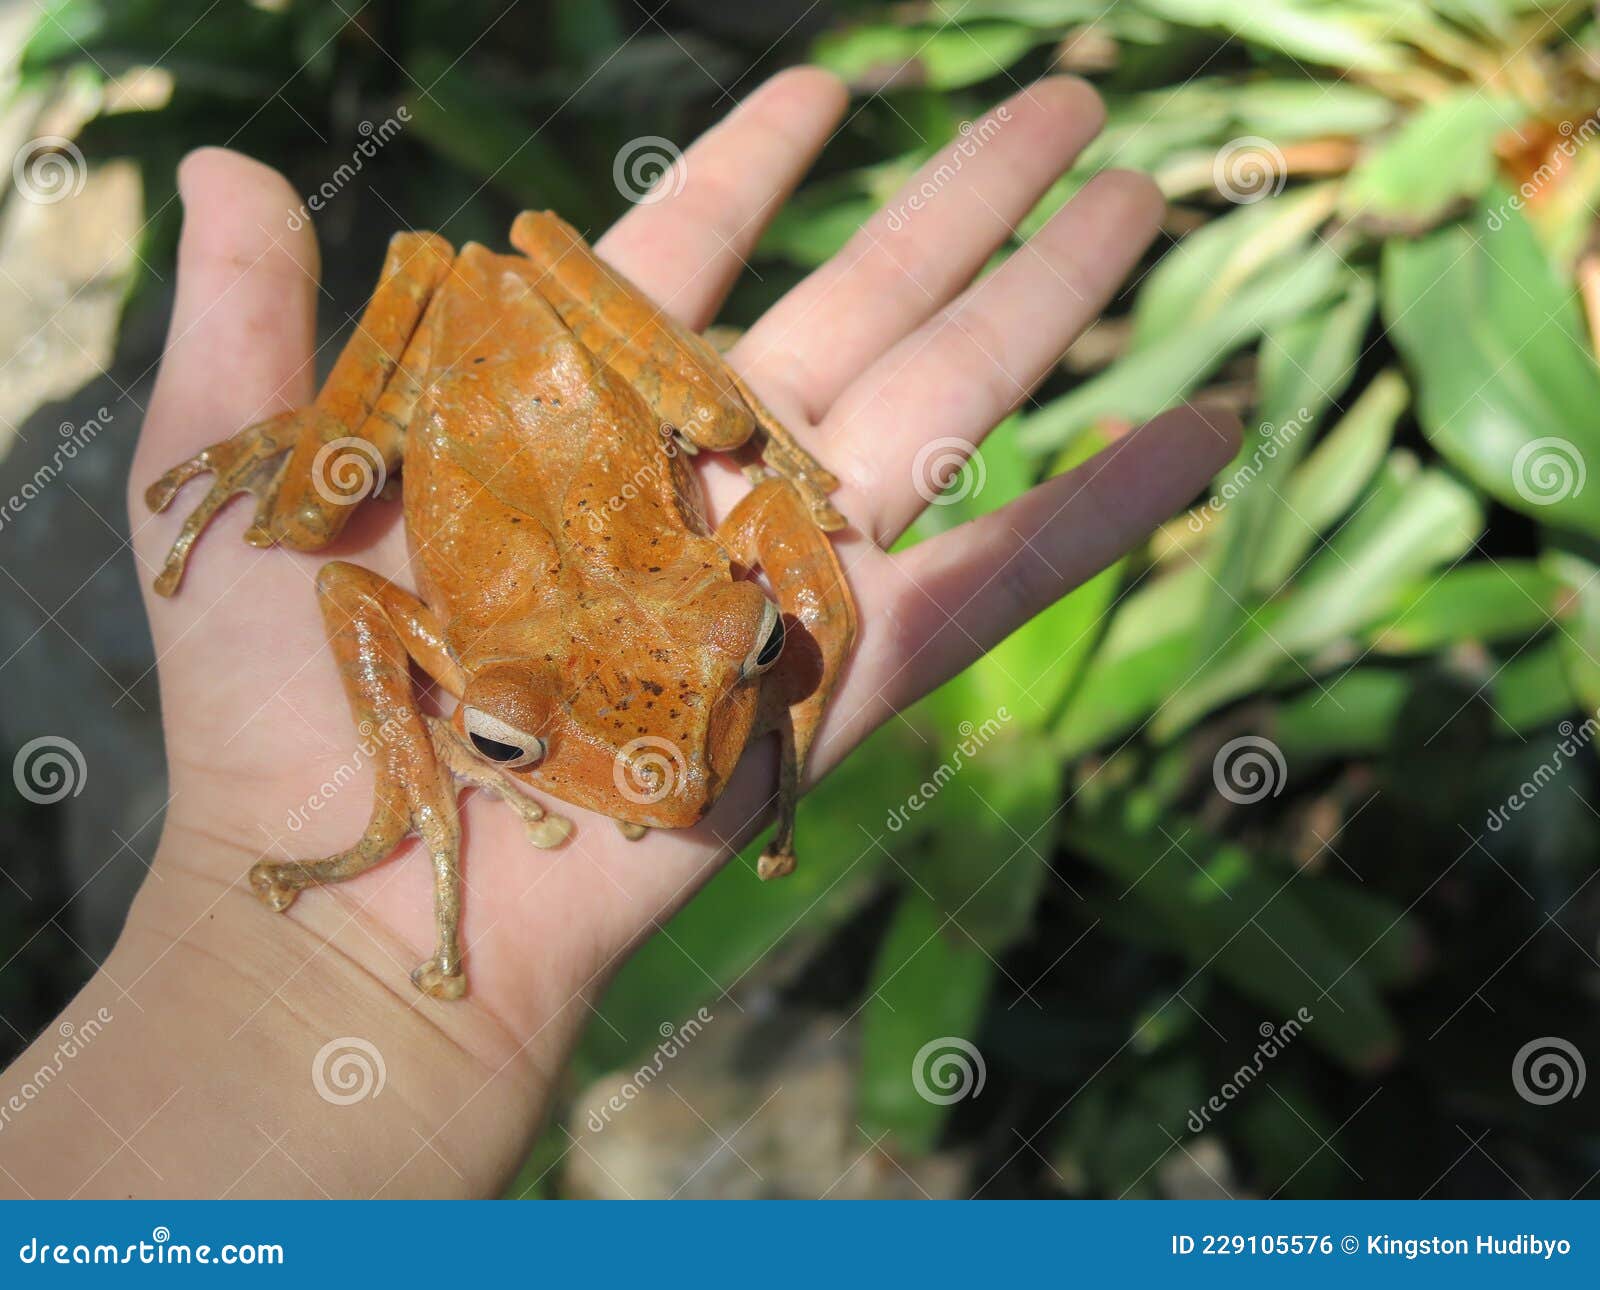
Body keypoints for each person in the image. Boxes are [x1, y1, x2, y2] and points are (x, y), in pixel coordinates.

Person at [0, 68, 1236, 1198]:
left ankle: (516, 286)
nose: (676, 773)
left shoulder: (688, 633)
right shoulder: (486, 655)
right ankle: (384, 354)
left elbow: (781, 542)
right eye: (509, 734)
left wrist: (790, 687)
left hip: (555, 360)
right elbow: (353, 595)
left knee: (717, 417)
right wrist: (411, 781)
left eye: (737, 658)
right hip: (458, 364)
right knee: (324, 506)